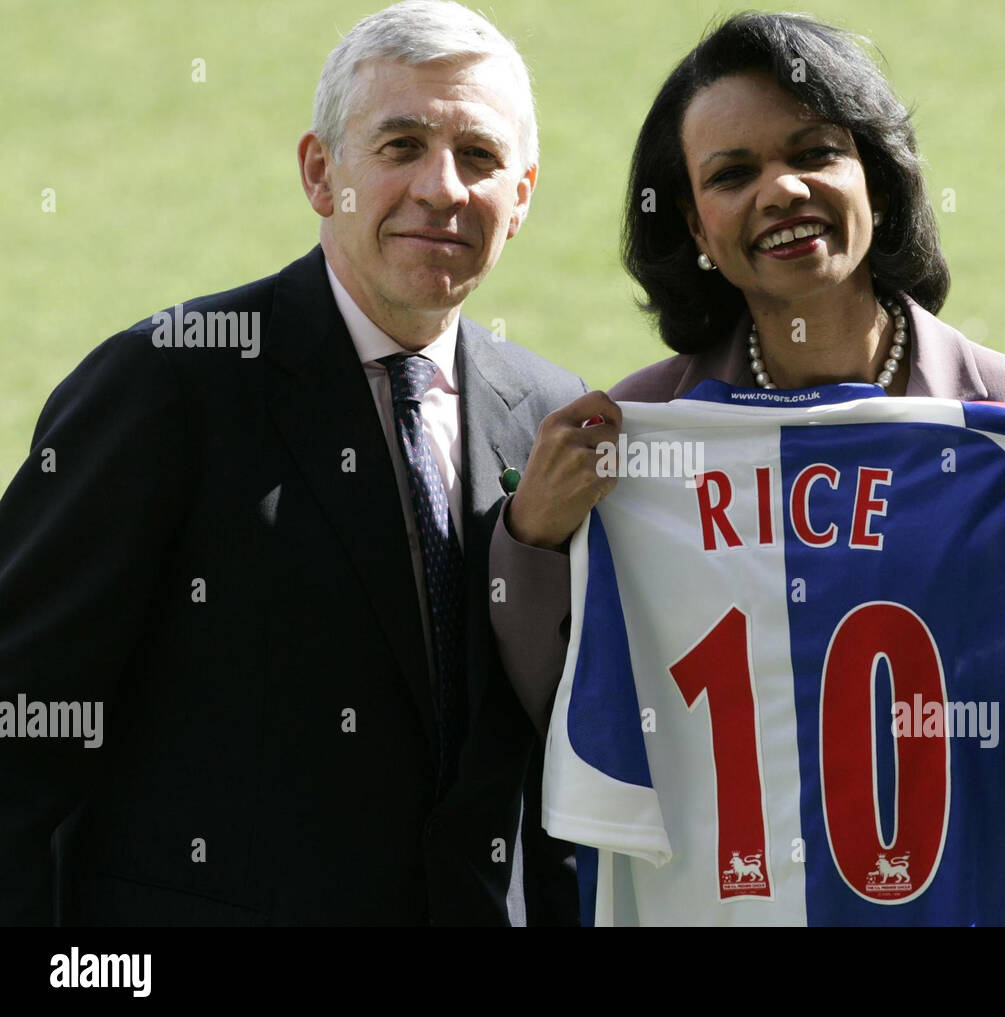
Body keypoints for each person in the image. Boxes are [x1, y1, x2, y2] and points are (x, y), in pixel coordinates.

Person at [490, 11, 1005, 801]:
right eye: (732, 175)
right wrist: (531, 539)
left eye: (815, 153)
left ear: (874, 174)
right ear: (698, 225)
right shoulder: (634, 437)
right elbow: (573, 736)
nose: (782, 189)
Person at [0, 0, 582, 925]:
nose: (443, 187)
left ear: (522, 195)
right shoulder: (167, 383)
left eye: (479, 157)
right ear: (322, 173)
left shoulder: (550, 416)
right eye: (399, 146)